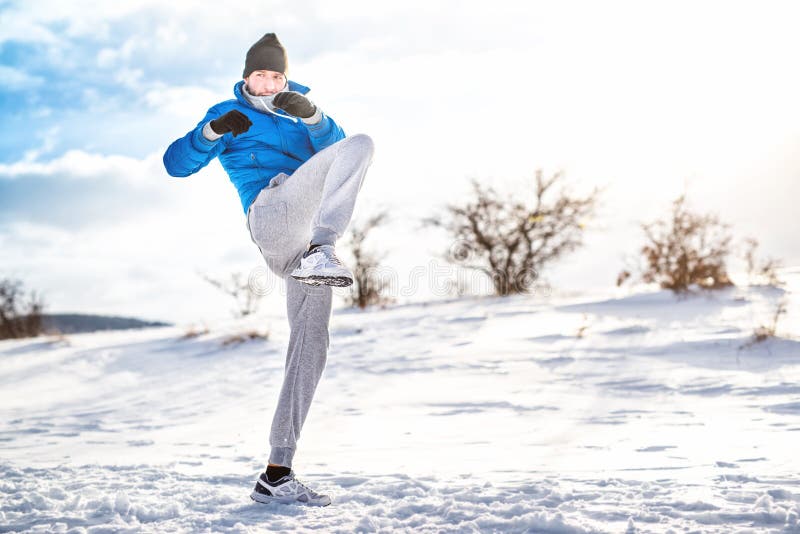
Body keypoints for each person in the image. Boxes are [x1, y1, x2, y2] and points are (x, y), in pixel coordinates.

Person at [163, 32, 374, 507]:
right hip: (272, 212)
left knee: (311, 345)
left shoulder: (298, 112)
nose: (270, 83)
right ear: (247, 78)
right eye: (261, 74)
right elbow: (176, 165)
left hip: (300, 248)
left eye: (277, 76)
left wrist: (314, 118)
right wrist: (212, 132)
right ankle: (326, 245)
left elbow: (339, 156)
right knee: (362, 142)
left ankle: (277, 472)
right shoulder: (227, 112)